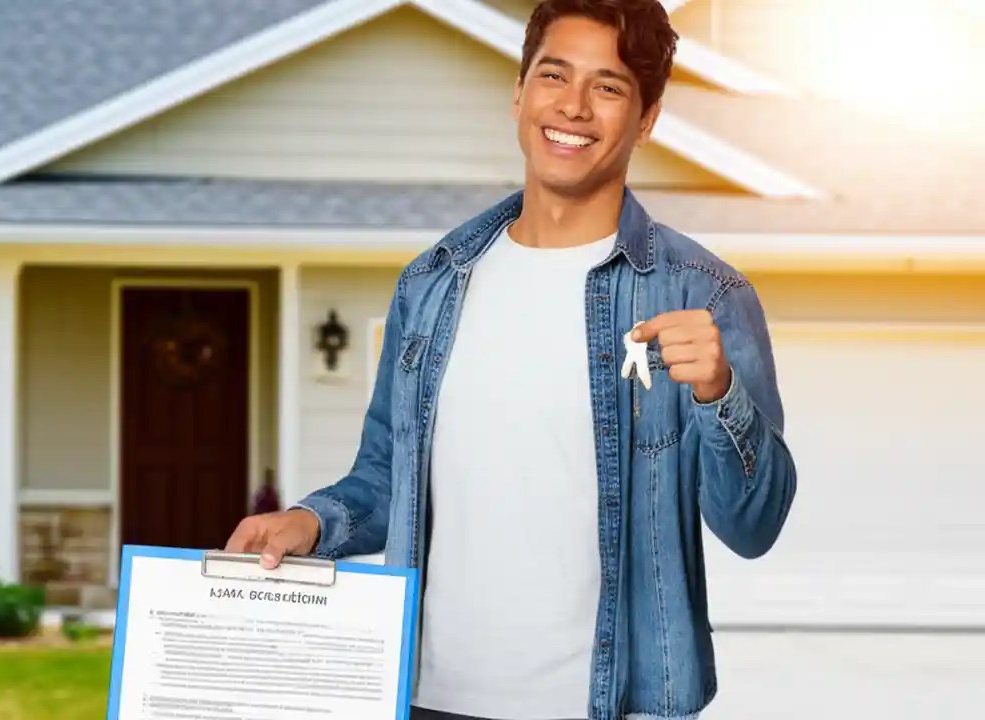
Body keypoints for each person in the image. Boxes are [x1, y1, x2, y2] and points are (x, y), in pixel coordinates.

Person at [224, 1, 797, 718]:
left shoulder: (702, 295)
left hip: (608, 704)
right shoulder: (432, 283)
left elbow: (756, 525)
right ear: (519, 92)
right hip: (425, 698)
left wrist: (719, 394)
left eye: (609, 87)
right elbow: (387, 474)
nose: (574, 106)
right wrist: (310, 522)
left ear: (647, 119)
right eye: (554, 75)